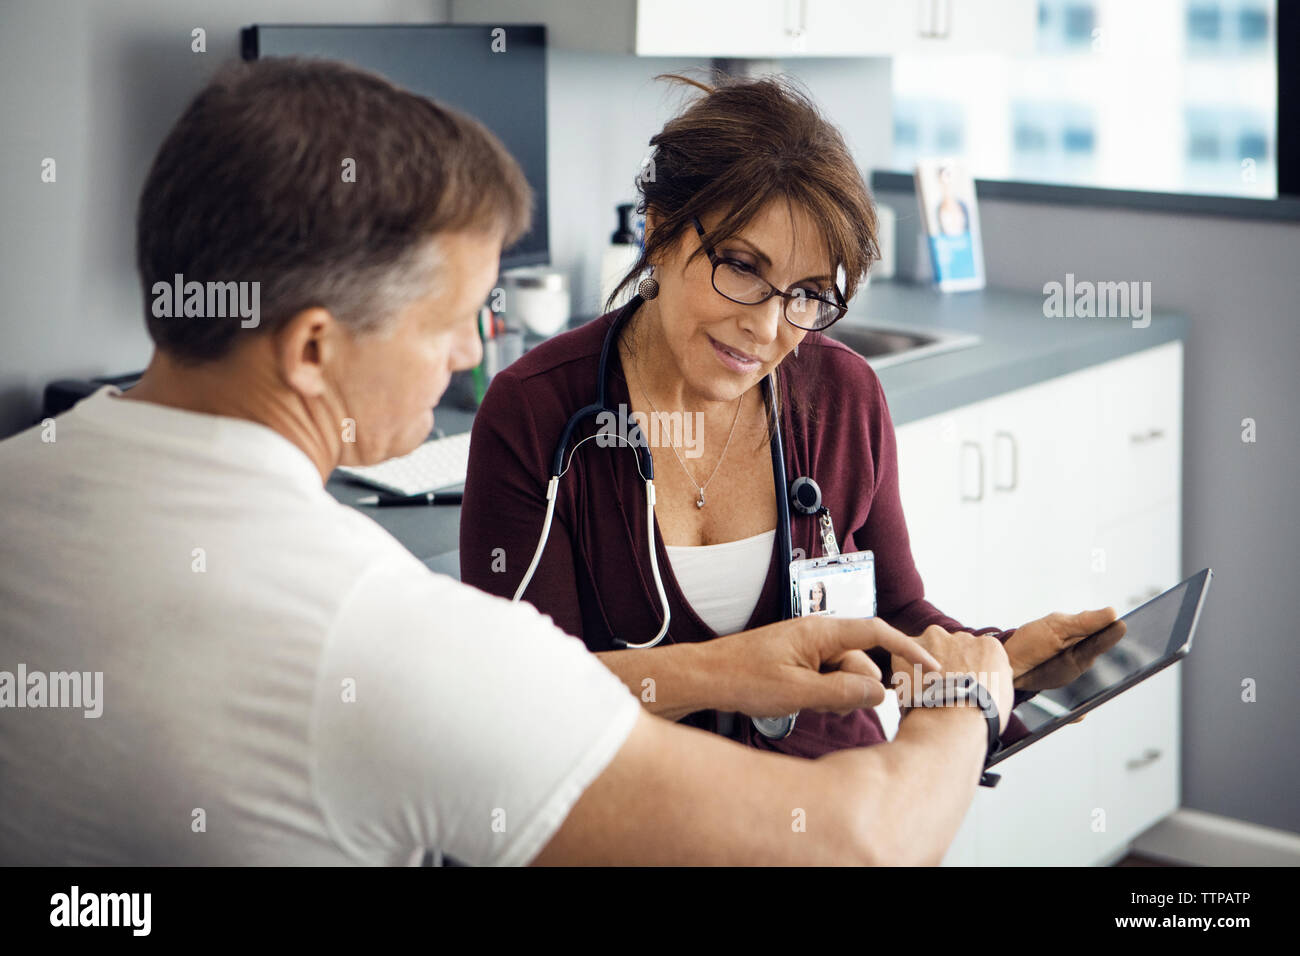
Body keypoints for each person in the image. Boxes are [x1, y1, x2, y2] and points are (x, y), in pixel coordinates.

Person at [0, 58, 1019, 867]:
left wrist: (989, 650)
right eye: (453, 318)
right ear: (313, 347)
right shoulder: (387, 634)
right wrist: (963, 703)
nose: (468, 351)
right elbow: (865, 839)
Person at [460, 72, 1115, 758]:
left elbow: (892, 622)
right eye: (741, 266)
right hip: (639, 818)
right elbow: (524, 700)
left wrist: (1005, 662)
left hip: (829, 804)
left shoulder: (841, 395)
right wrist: (729, 675)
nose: (768, 328)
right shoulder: (536, 414)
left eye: (806, 293)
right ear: (658, 233)